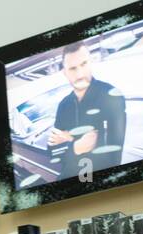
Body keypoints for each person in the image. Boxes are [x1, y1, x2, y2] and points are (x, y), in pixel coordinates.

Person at [47, 40, 127, 180]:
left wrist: (68, 141)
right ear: (64, 72)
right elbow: (53, 153)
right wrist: (76, 146)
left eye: (83, 64)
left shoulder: (111, 95)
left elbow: (114, 156)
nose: (79, 74)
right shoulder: (63, 105)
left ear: (90, 63)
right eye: (72, 68)